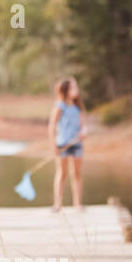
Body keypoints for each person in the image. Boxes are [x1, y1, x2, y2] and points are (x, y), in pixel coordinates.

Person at [47, 76, 87, 211]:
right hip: (63, 144)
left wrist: (83, 132)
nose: (77, 90)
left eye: (76, 87)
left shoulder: (78, 107)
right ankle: (57, 204)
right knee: (62, 173)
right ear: (66, 90)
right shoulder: (60, 106)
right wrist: (53, 146)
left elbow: (83, 125)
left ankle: (77, 204)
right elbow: (52, 126)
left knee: (77, 174)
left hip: (76, 144)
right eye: (73, 87)